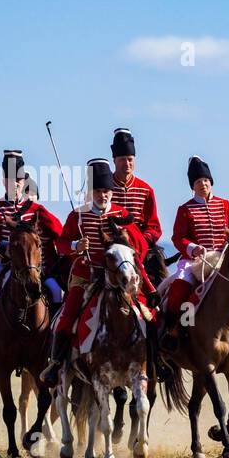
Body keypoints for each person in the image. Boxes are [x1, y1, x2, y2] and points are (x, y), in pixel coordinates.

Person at [38, 158, 148, 386]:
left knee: (147, 314)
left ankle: (154, 361)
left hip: (117, 278)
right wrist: (76, 247)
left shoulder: (122, 215)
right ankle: (56, 364)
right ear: (90, 192)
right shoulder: (77, 216)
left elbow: (141, 247)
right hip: (86, 275)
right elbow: (61, 244)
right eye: (98, 191)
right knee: (67, 317)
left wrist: (127, 244)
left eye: (106, 191)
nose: (103, 195)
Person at [0, 149, 64, 352]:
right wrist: (1, 248)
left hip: (30, 266)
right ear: (3, 182)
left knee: (54, 290)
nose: (15, 184)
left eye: (18, 180)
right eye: (11, 180)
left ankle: (52, 338)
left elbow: (58, 230)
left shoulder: (36, 209)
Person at [159, 156, 229, 351]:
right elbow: (178, 238)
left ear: (211, 182)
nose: (203, 184)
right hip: (195, 261)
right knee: (179, 289)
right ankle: (175, 330)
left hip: (222, 259)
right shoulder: (185, 209)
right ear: (192, 186)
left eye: (205, 180)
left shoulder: (224, 205)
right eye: (198, 181)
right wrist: (192, 248)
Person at [107, 128, 164, 272]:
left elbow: (154, 226)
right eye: (122, 160)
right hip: (111, 251)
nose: (127, 163)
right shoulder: (103, 189)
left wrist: (142, 242)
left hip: (140, 250)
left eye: (130, 159)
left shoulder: (146, 190)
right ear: (114, 160)